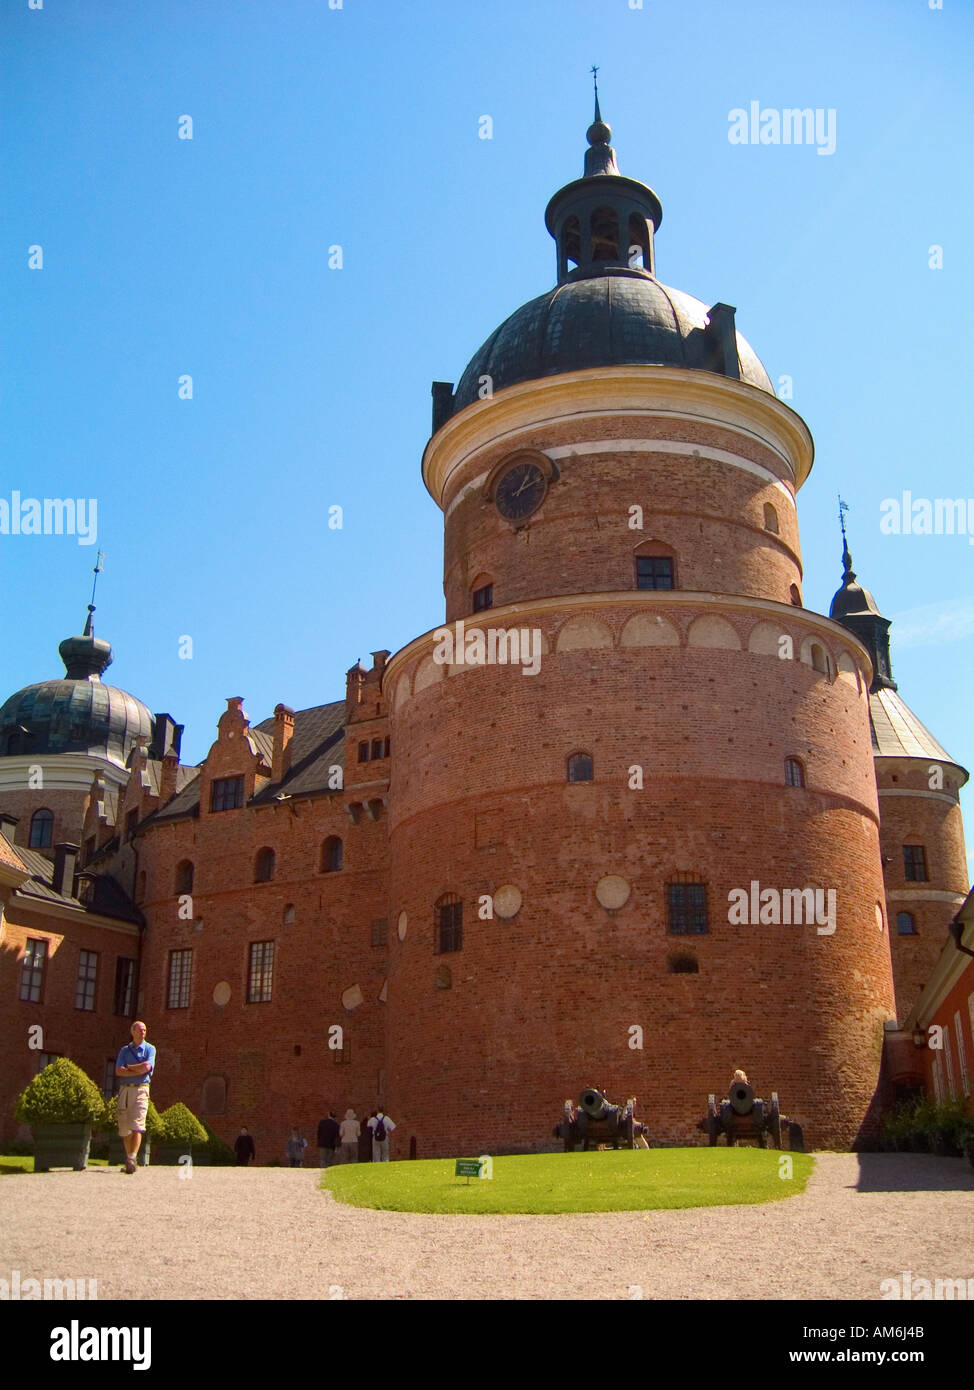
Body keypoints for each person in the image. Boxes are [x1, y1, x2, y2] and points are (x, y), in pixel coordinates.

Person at [114, 1020, 156, 1175]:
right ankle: (129, 1157)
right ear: (133, 1032)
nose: (143, 1032)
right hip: (125, 1089)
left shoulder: (150, 1049)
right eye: (140, 1029)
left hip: (141, 1090)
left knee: (137, 1125)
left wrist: (129, 1068)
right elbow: (118, 1071)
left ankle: (132, 1158)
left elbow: (147, 1068)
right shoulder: (124, 1050)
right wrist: (137, 1070)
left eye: (145, 1030)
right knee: (125, 1127)